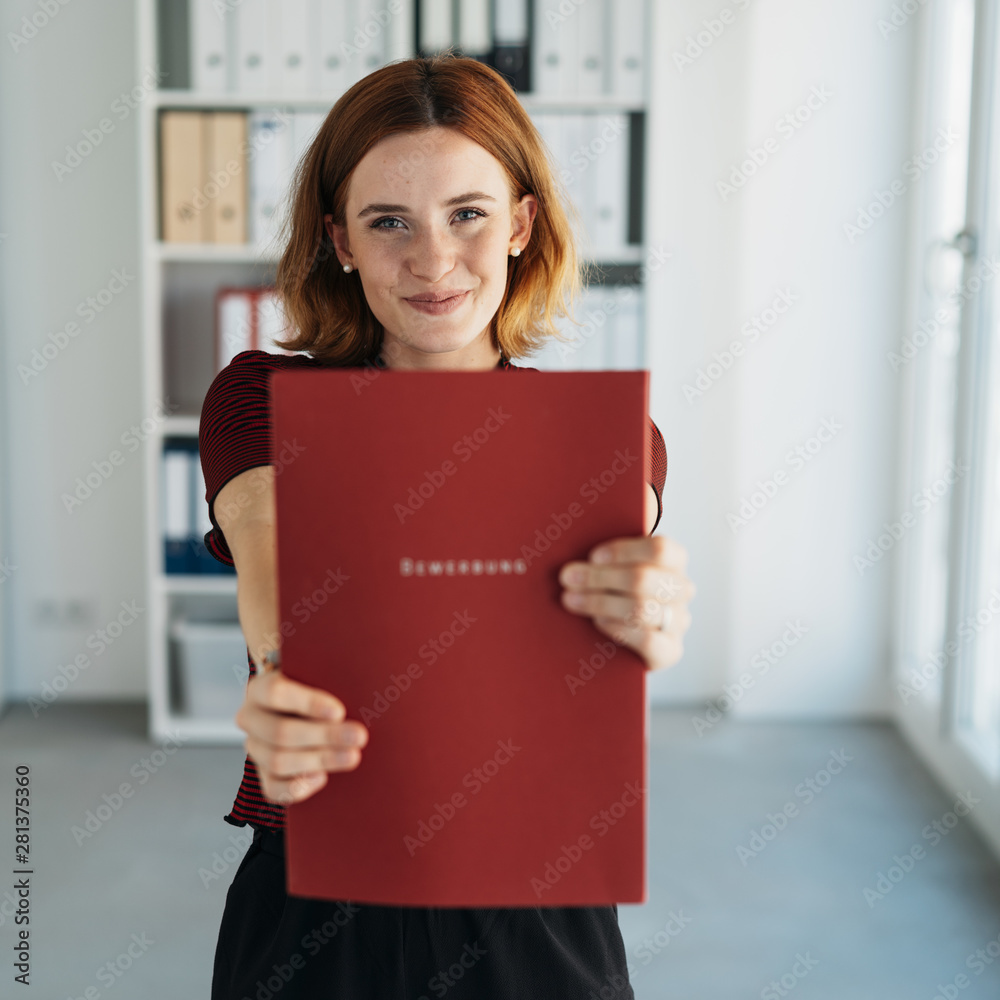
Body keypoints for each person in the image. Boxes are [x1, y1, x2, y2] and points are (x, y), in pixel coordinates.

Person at [200, 53, 695, 1000]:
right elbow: (273, 557)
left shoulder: (606, 438)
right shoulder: (263, 396)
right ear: (340, 240)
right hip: (319, 880)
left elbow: (630, 588)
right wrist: (278, 678)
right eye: (390, 222)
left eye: (467, 213)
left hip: (537, 893)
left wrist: (654, 616)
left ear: (520, 223)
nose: (432, 261)